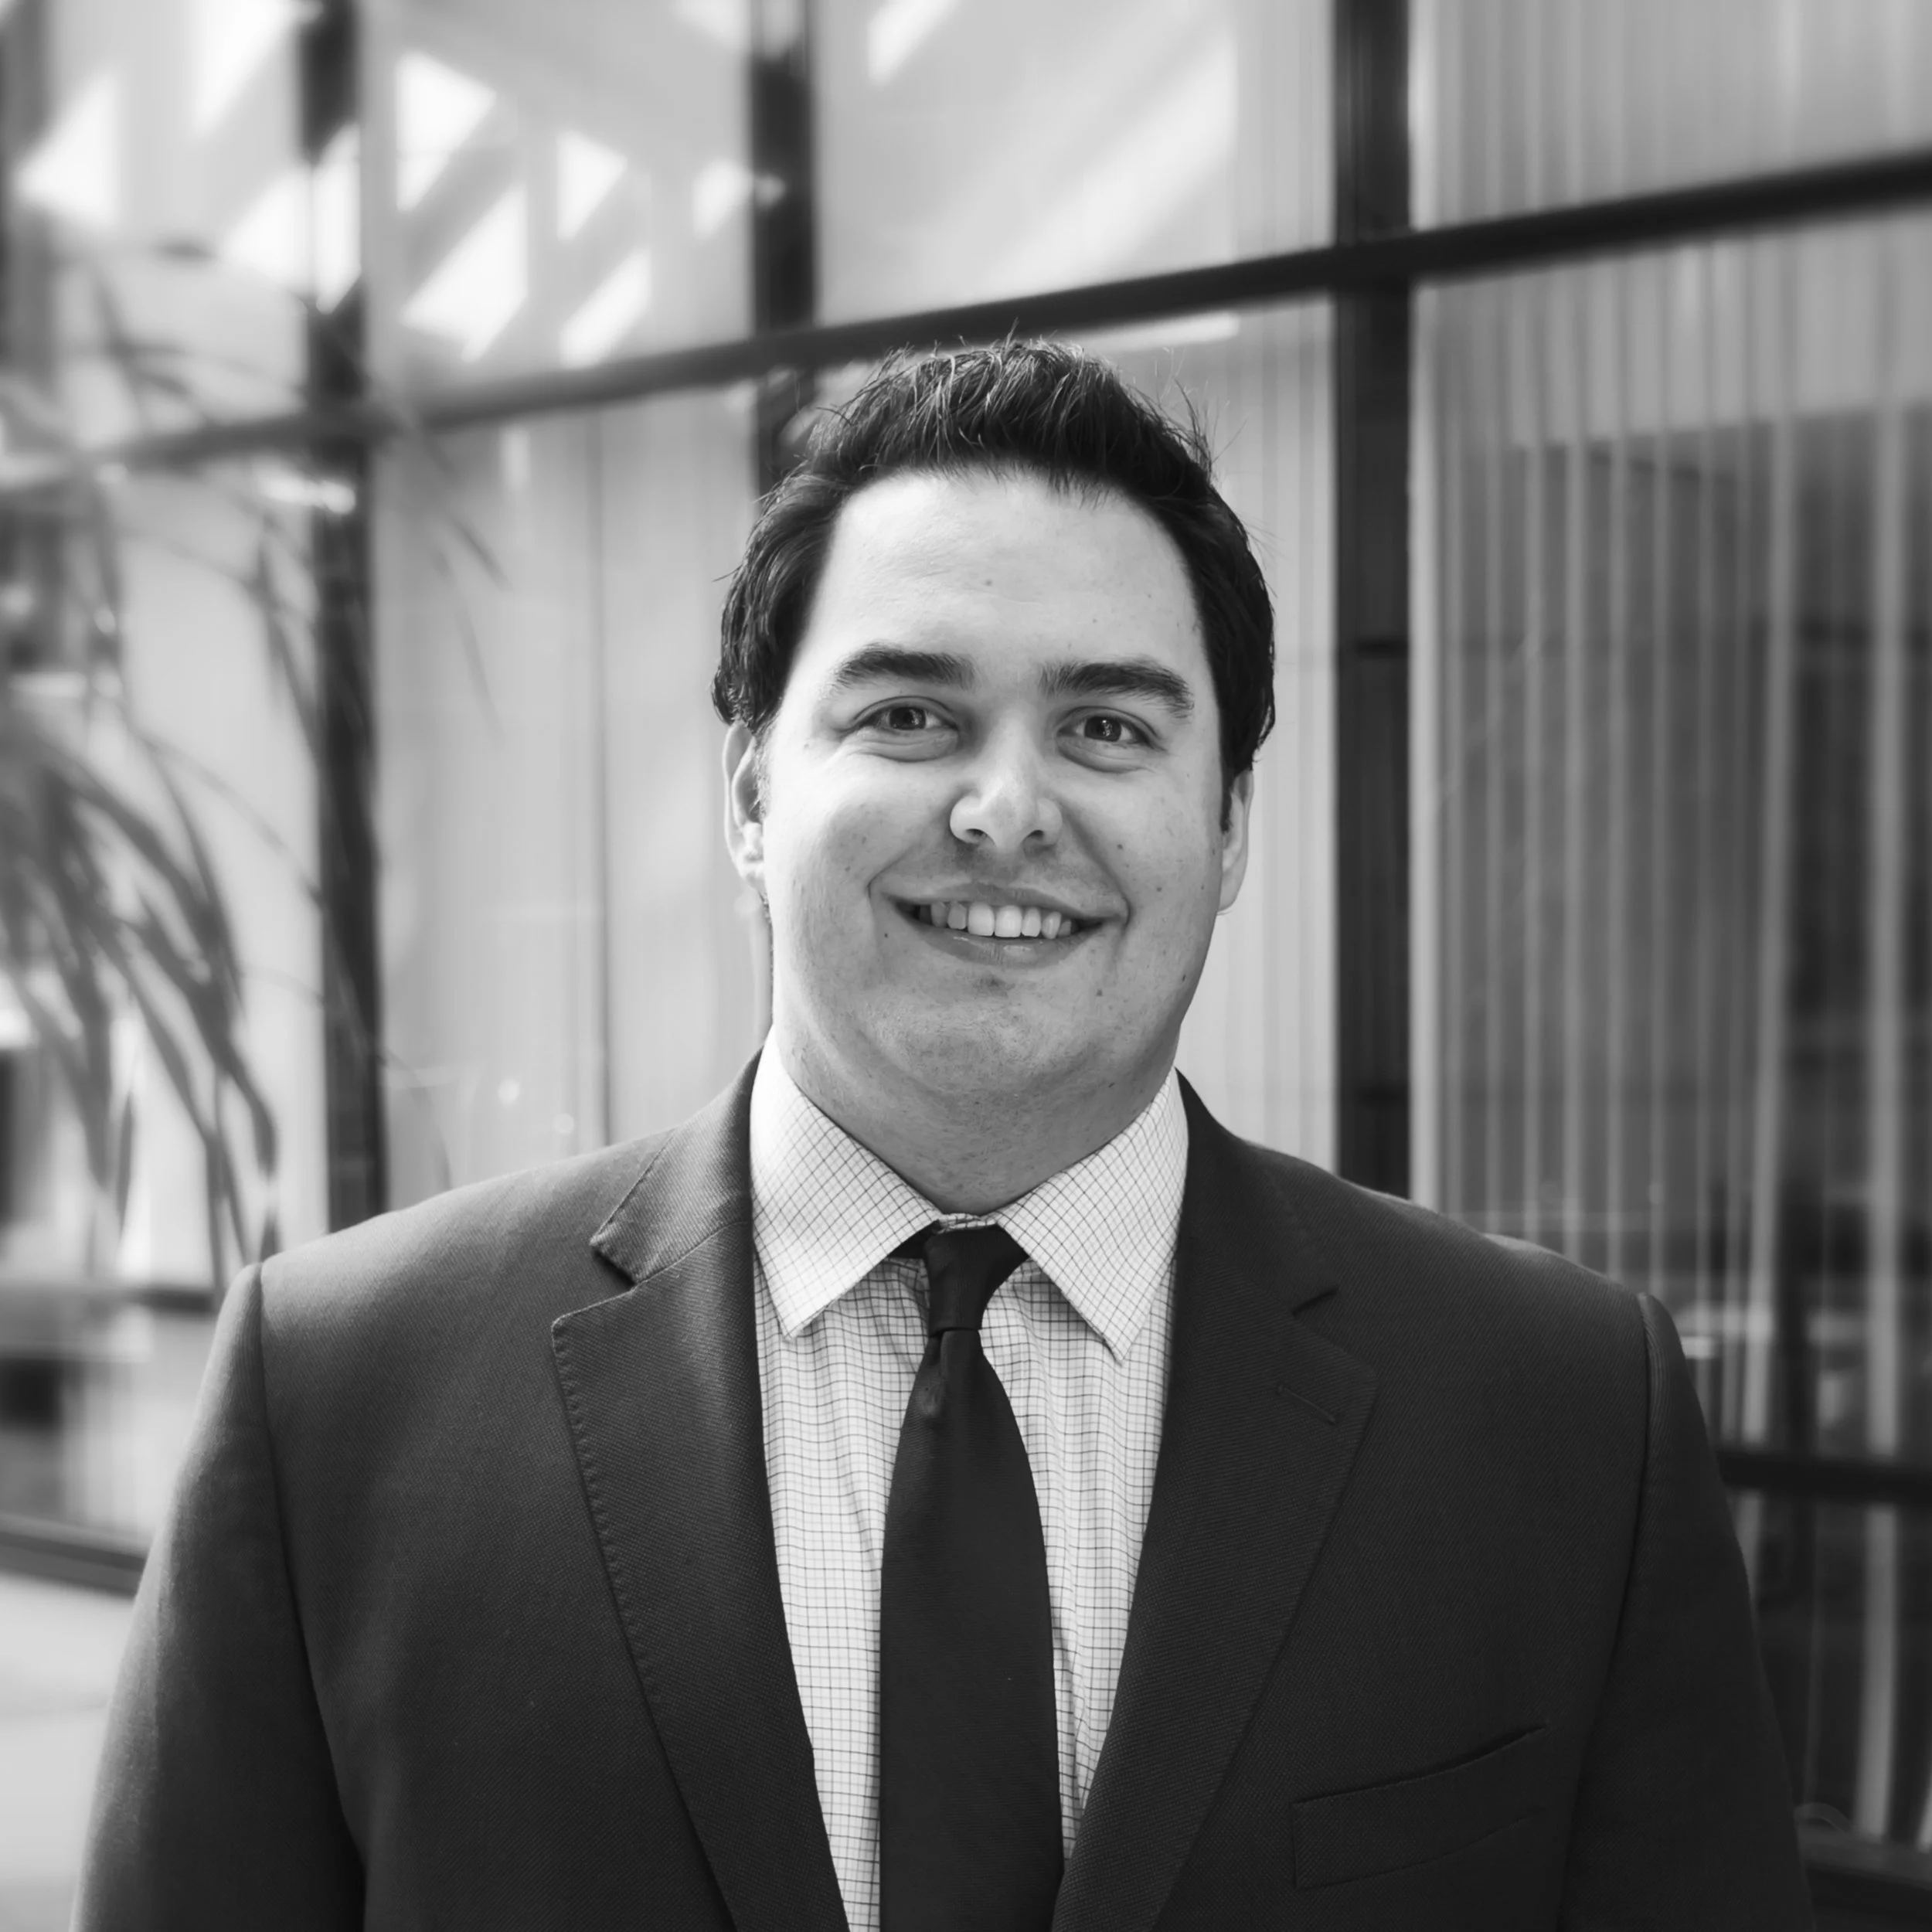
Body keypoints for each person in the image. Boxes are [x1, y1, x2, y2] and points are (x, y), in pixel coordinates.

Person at [77, 342, 1811, 1931]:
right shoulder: (337, 1397)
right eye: (908, 715)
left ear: (1228, 827)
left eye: (1106, 727)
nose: (1004, 808)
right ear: (751, 795)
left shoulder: (1562, 1415)